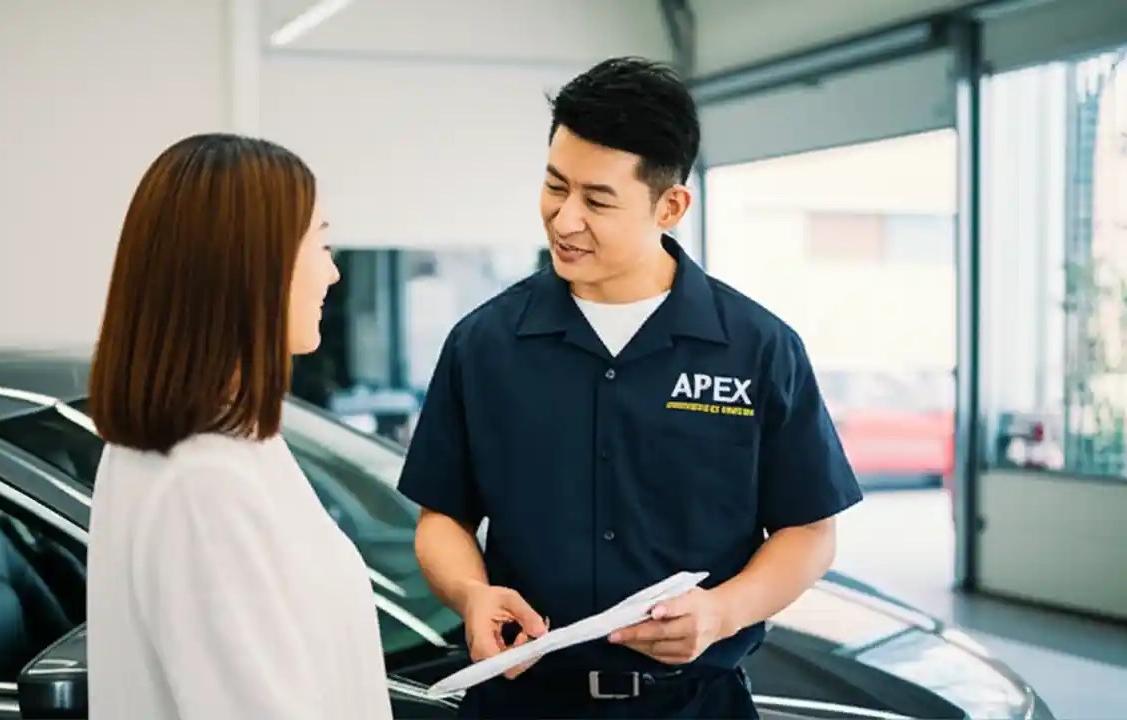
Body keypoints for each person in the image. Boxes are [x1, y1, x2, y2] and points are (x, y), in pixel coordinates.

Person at [397, 57, 864, 719]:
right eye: (555, 186)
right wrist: (471, 593)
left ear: (670, 205)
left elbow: (810, 531)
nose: (564, 219)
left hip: (696, 707)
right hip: (521, 703)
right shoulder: (485, 345)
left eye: (598, 200)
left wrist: (724, 612)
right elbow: (441, 516)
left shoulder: (757, 349)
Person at [85, 133, 392, 720]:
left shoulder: (220, 443)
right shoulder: (203, 484)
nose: (331, 274)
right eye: (320, 245)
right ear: (254, 264)